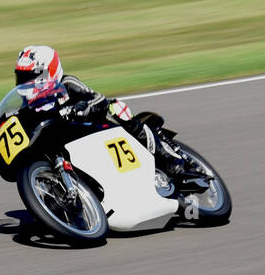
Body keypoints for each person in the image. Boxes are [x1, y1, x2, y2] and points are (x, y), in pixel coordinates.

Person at [13, 45, 206, 188]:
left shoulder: (68, 83)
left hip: (97, 129)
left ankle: (169, 159)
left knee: (116, 108)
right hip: (69, 146)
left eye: (31, 76)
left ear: (50, 71)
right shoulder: (26, 105)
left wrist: (78, 109)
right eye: (21, 78)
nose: (25, 83)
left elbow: (98, 99)